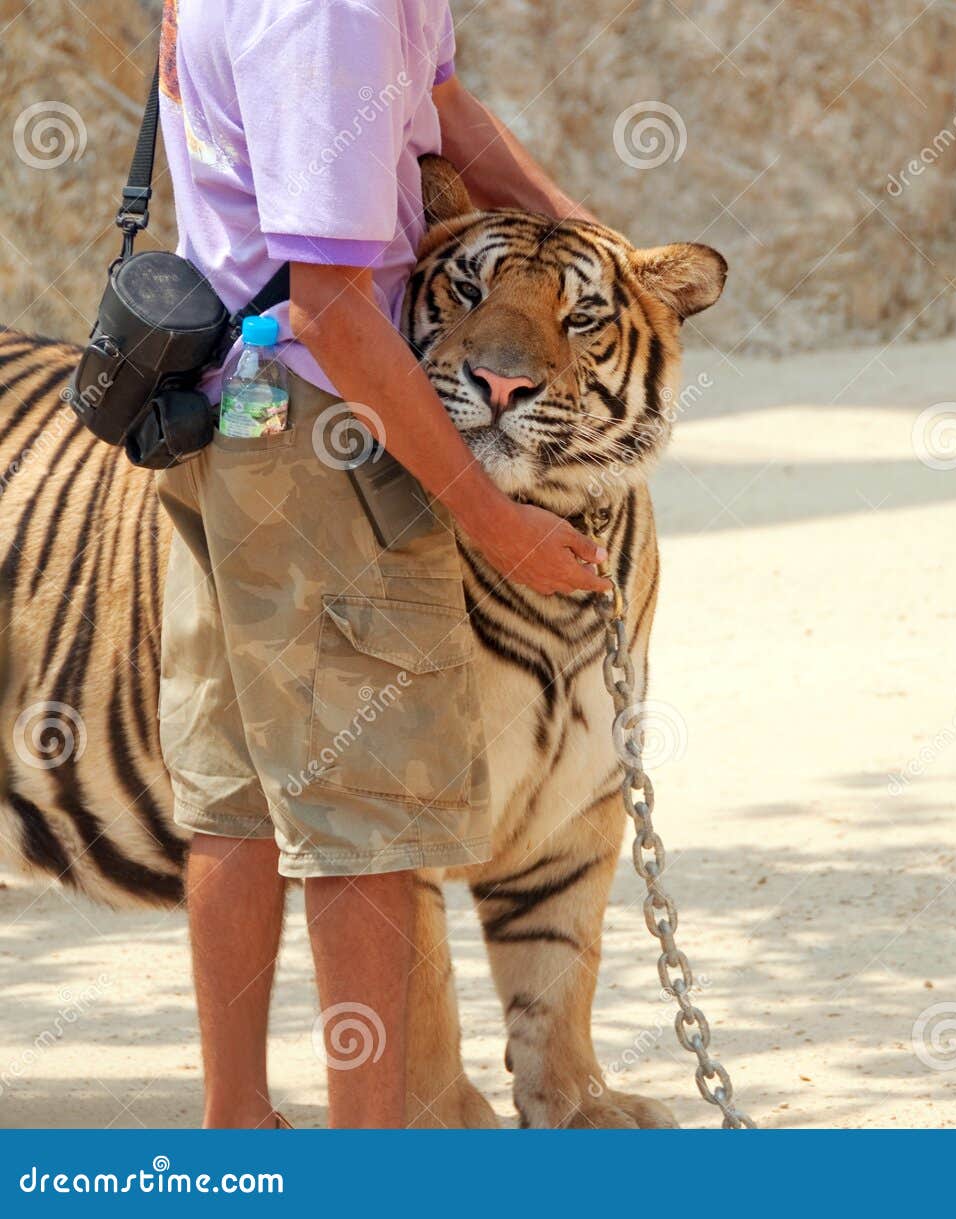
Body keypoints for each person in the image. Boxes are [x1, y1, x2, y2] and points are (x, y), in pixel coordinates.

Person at [155, 0, 605, 1128]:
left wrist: (586, 242)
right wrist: (496, 523)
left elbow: (442, 104)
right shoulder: (331, 14)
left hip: (230, 408)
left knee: (241, 795)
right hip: (324, 437)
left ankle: (236, 1136)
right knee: (364, 816)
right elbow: (335, 310)